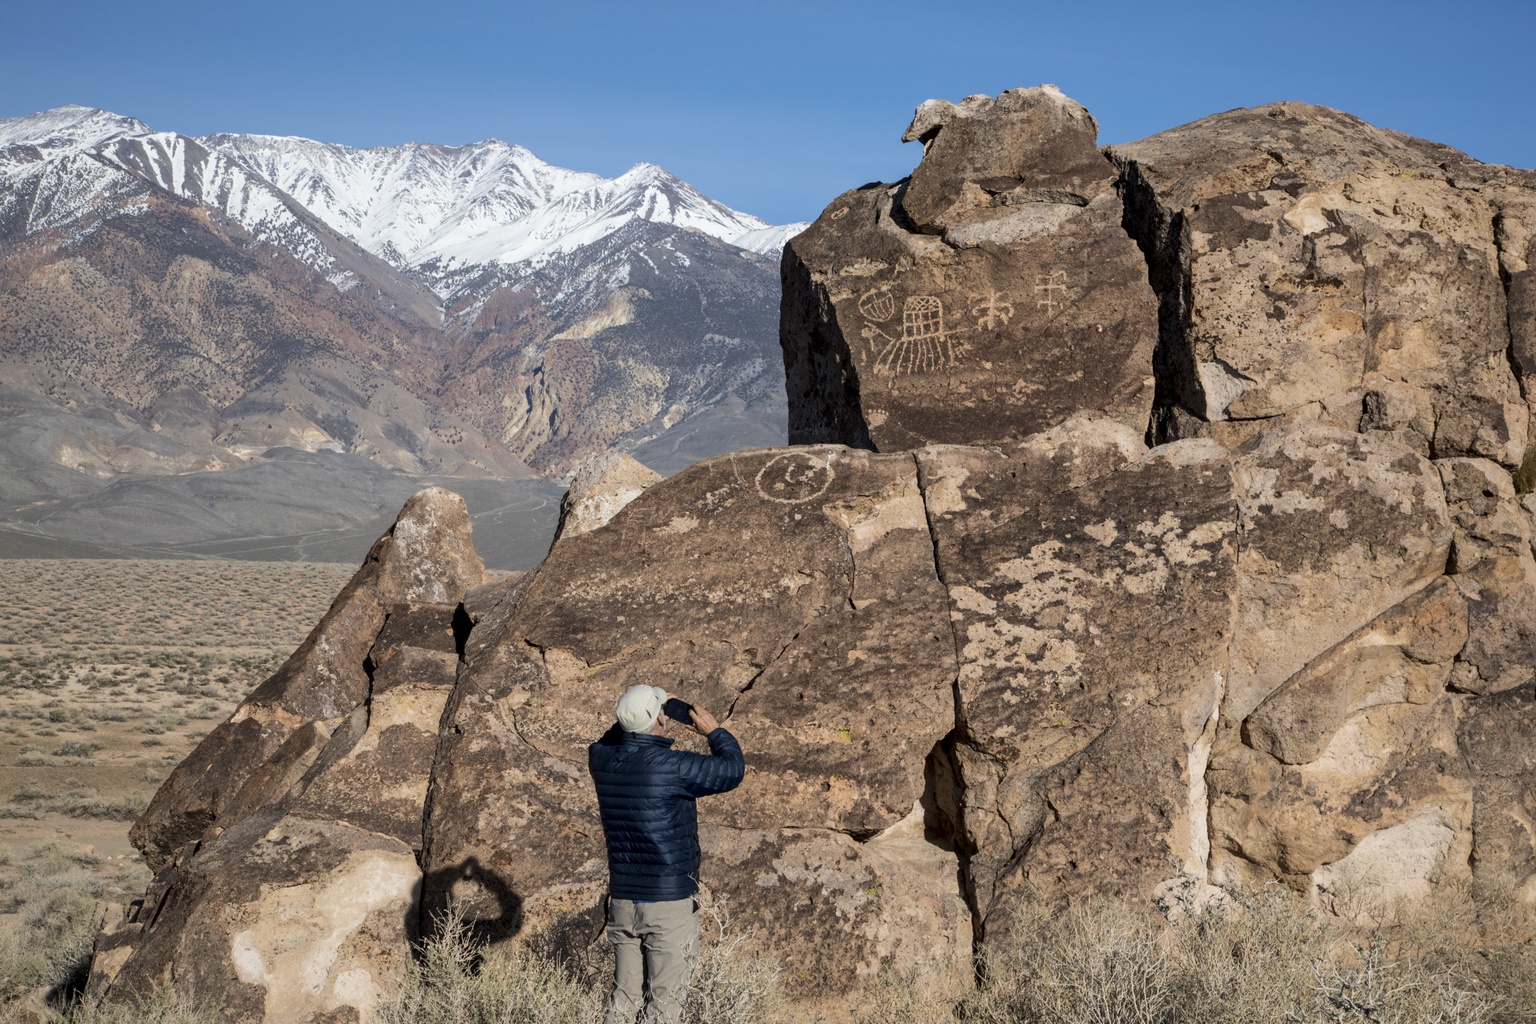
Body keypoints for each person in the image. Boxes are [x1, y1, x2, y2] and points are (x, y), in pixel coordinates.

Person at [588, 684, 745, 1024]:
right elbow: (732, 770)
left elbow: (610, 737)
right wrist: (715, 731)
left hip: (623, 901)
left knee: (623, 1002)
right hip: (668, 904)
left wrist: (638, 717)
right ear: (660, 718)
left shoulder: (600, 760)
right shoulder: (672, 766)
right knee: (665, 1006)